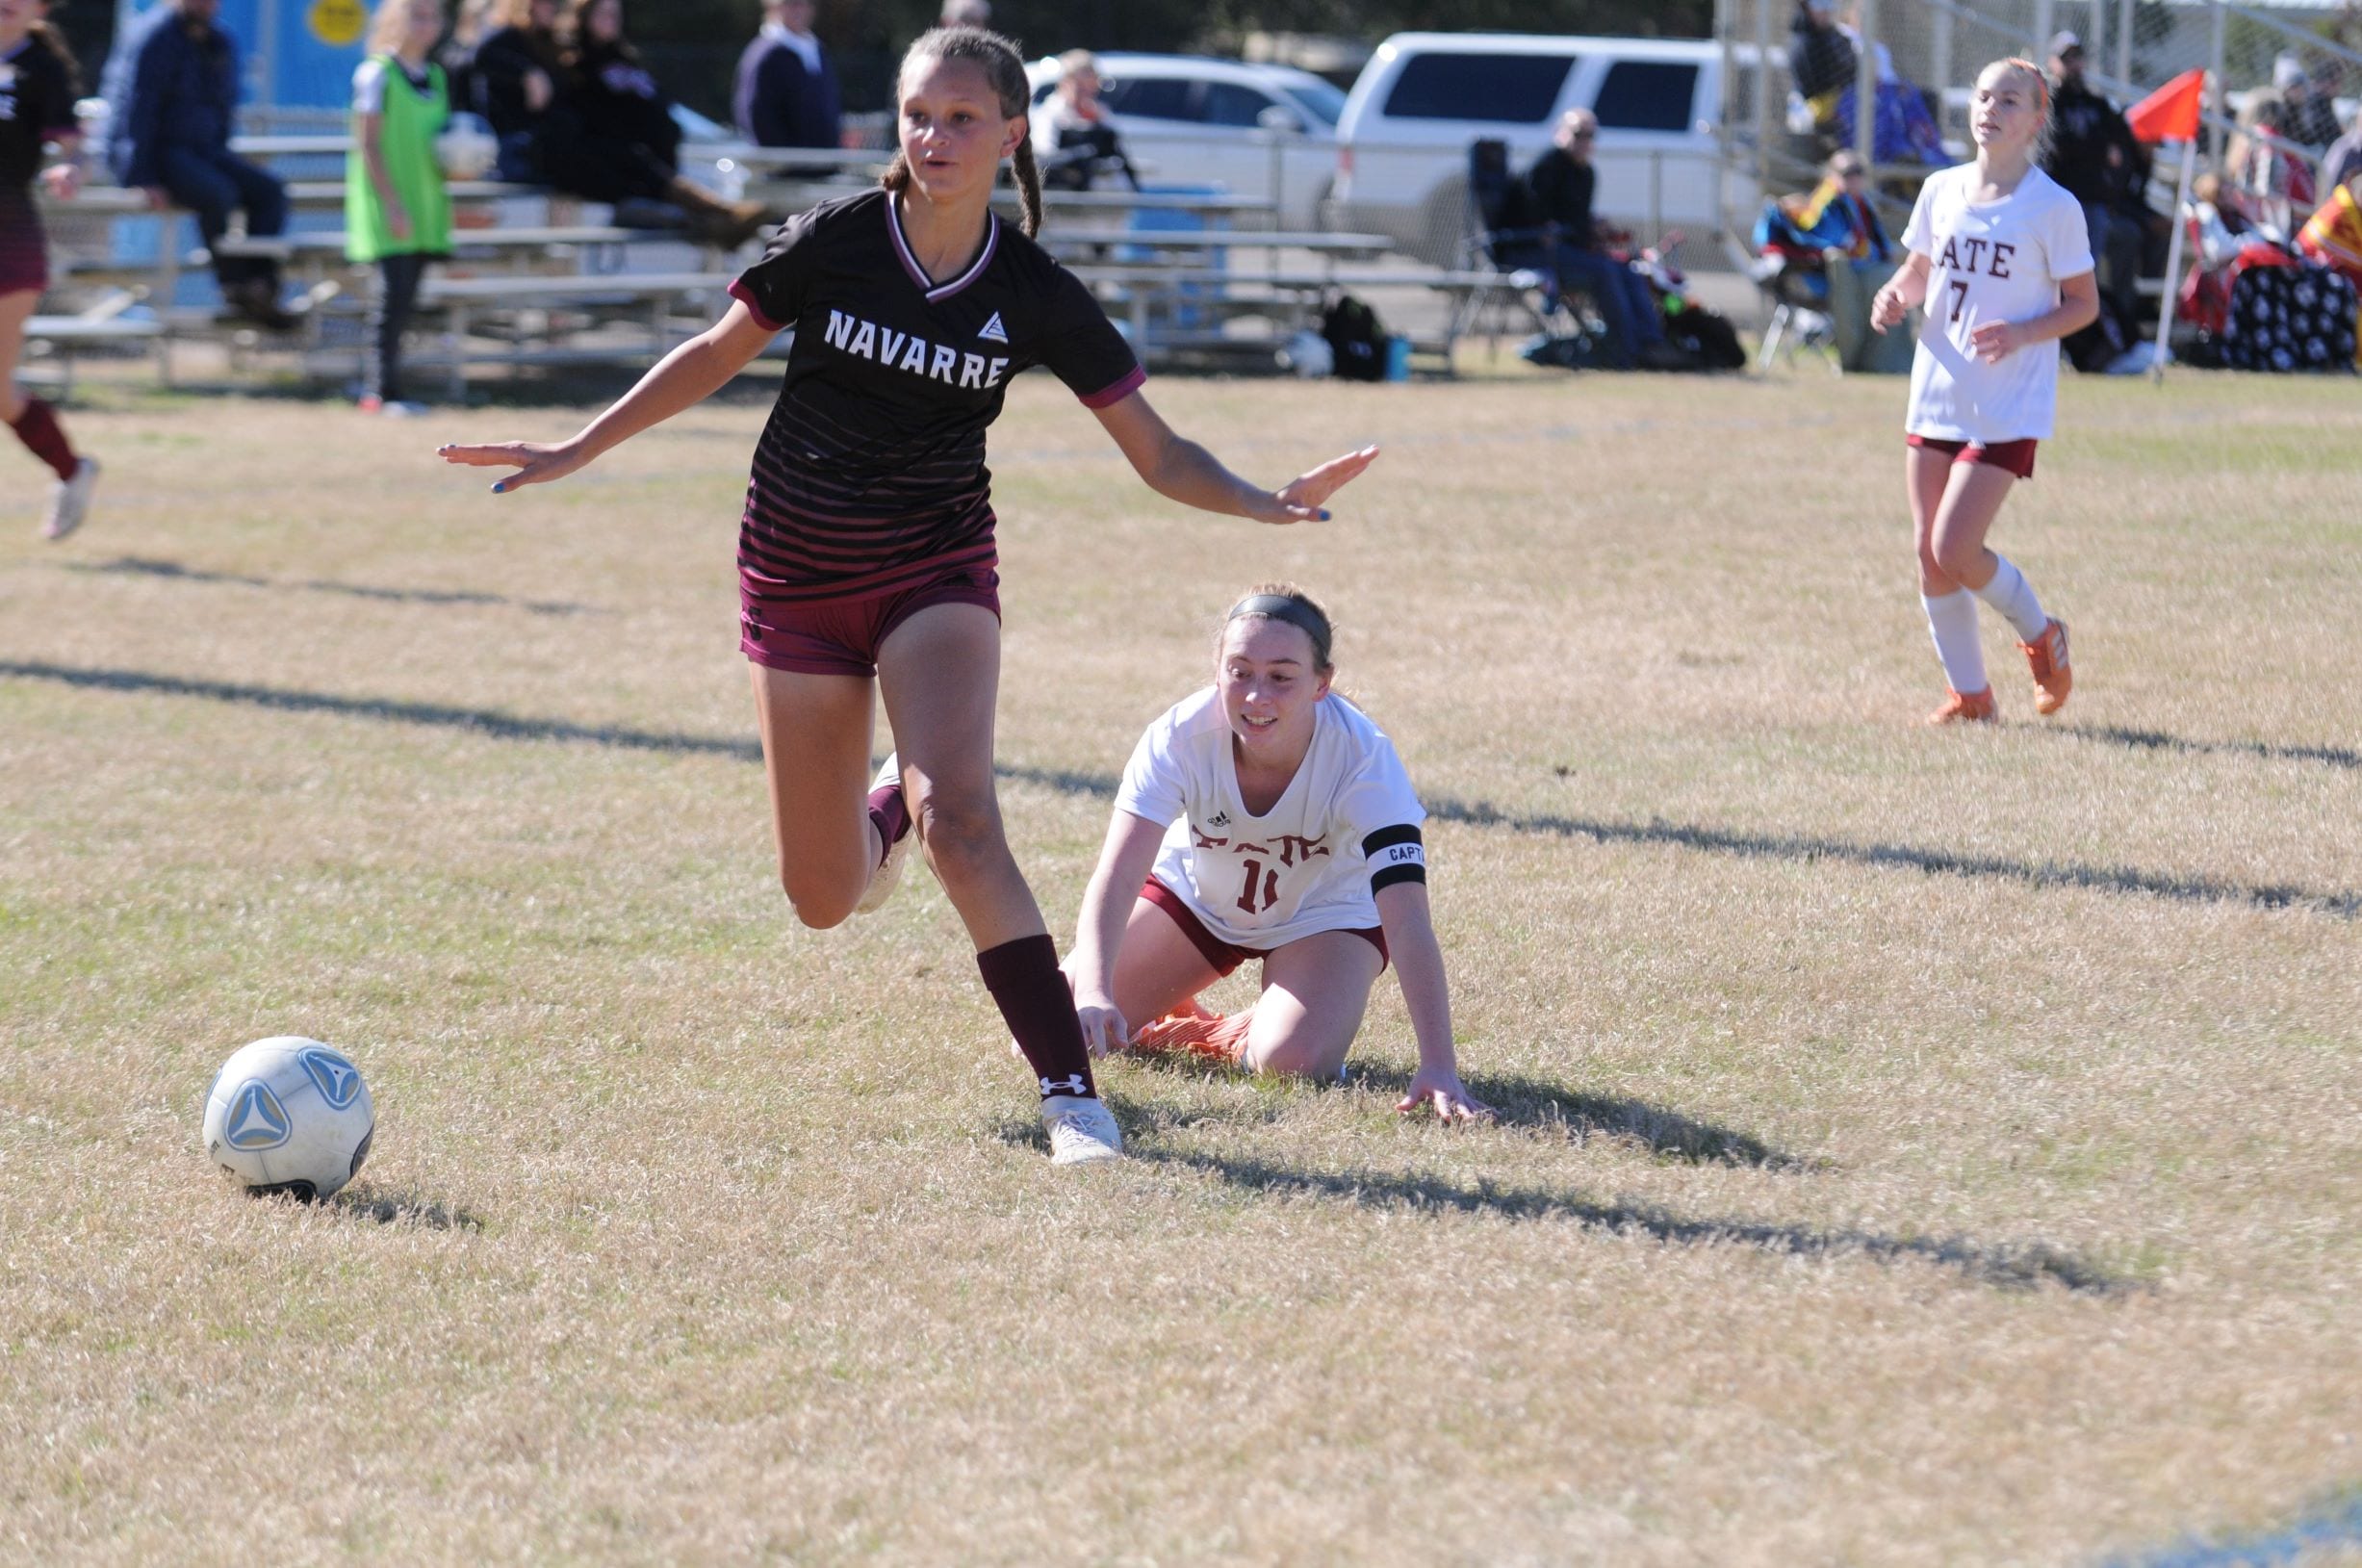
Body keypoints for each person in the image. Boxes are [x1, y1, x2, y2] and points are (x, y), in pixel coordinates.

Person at [439, 26, 1379, 1166]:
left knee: (964, 822)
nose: (934, 138)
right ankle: (883, 808)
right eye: (917, 116)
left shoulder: (1032, 290)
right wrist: (576, 447)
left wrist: (1265, 502)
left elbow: (1159, 451)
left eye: (962, 119)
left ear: (1012, 134)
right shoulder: (839, 239)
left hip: (935, 574)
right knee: (824, 896)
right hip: (793, 578)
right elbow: (713, 348)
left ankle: (1071, 1097)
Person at [1060, 586, 1491, 1121]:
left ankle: (1245, 1029)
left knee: (1291, 1061)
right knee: (1051, 1028)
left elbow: (1407, 921)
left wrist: (1440, 1066)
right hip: (1200, 900)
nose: (1255, 696)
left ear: (1321, 684)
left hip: (1323, 916)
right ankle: (1172, 1007)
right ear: (1216, 671)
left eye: (1282, 676)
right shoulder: (1178, 736)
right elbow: (1119, 872)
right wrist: (1094, 990)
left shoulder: (1364, 759)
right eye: (1239, 671)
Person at [1871, 58, 2097, 726]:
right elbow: (1918, 271)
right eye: (1982, 96)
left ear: (2035, 118)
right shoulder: (1941, 189)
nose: (1990, 109)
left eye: (2009, 100)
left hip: (2007, 400)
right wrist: (1893, 294)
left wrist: (2026, 331)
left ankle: (2041, 633)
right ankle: (1972, 697)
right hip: (1938, 387)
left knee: (1955, 549)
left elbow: (2082, 305)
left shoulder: (2054, 207)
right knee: (1926, 550)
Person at [98, 0, 295, 328]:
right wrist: (140, 174)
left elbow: (221, 107)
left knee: (269, 191)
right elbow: (134, 105)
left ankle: (262, 285)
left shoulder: (217, 39)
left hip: (206, 151)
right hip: (162, 153)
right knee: (217, 193)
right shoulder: (155, 35)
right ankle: (235, 286)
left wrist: (222, 151)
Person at [547, 0, 767, 244]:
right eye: (603, 14)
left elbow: (657, 107)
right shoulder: (574, 64)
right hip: (619, 169)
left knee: (668, 200)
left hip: (650, 162)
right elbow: (594, 121)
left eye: (615, 15)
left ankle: (723, 219)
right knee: (664, 201)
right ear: (585, 17)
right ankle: (722, 213)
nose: (611, 20)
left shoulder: (625, 58)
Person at [1, 0, 97, 538]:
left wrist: (70, 167)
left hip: (8, 239)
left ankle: (71, 470)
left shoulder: (42, 68)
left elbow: (73, 147)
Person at [347, 0, 451, 416]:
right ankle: (379, 391)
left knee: (410, 300)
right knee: (390, 301)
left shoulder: (437, 76)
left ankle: (395, 386)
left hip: (427, 204)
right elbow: (368, 143)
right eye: (417, 15)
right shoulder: (376, 73)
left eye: (432, 16)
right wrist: (392, 203)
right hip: (389, 203)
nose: (426, 26)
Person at [1525, 109, 1687, 371]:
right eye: (1579, 133)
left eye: (1591, 135)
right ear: (1561, 133)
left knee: (1631, 271)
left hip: (1573, 249)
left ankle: (1651, 344)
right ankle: (1625, 351)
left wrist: (1599, 230)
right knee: (1606, 271)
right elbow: (1536, 221)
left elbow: (1578, 219)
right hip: (1538, 251)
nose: (1585, 141)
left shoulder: (1586, 173)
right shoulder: (1546, 167)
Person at [2041, 31, 2145, 366]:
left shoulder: (2097, 105)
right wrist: (2097, 150)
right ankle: (2052, 346)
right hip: (2054, 207)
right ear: (2052, 62)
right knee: (2051, 277)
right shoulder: (2046, 103)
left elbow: (2123, 147)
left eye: (2077, 57)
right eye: (2065, 58)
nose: (2073, 65)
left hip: (2093, 204)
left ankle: (2091, 345)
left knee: (2083, 278)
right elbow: (2056, 148)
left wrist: (2093, 153)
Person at [466, 0, 561, 183]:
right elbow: (479, 56)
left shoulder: (550, 43)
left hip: (541, 144)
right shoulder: (507, 37)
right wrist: (528, 73)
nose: (552, 7)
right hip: (507, 145)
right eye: (546, 2)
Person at [732, 0, 840, 150]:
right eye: (791, 3)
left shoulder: (816, 49)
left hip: (821, 164)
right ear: (773, 7)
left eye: (804, 4)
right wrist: (783, 160)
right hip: (786, 167)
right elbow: (756, 113)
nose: (798, 10)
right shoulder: (766, 54)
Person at [1030, 49, 1137, 192]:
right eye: (1080, 86)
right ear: (1065, 83)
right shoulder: (1050, 115)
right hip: (1065, 195)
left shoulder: (1101, 114)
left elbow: (1120, 151)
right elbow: (1045, 152)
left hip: (1105, 194)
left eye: (1092, 85)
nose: (1088, 91)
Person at [1787, 0, 1856, 143]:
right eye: (1820, 8)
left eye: (1827, 7)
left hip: (1843, 95)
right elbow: (1810, 84)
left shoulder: (1833, 35)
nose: (1825, 13)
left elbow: (1852, 66)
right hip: (1818, 102)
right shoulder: (1804, 41)